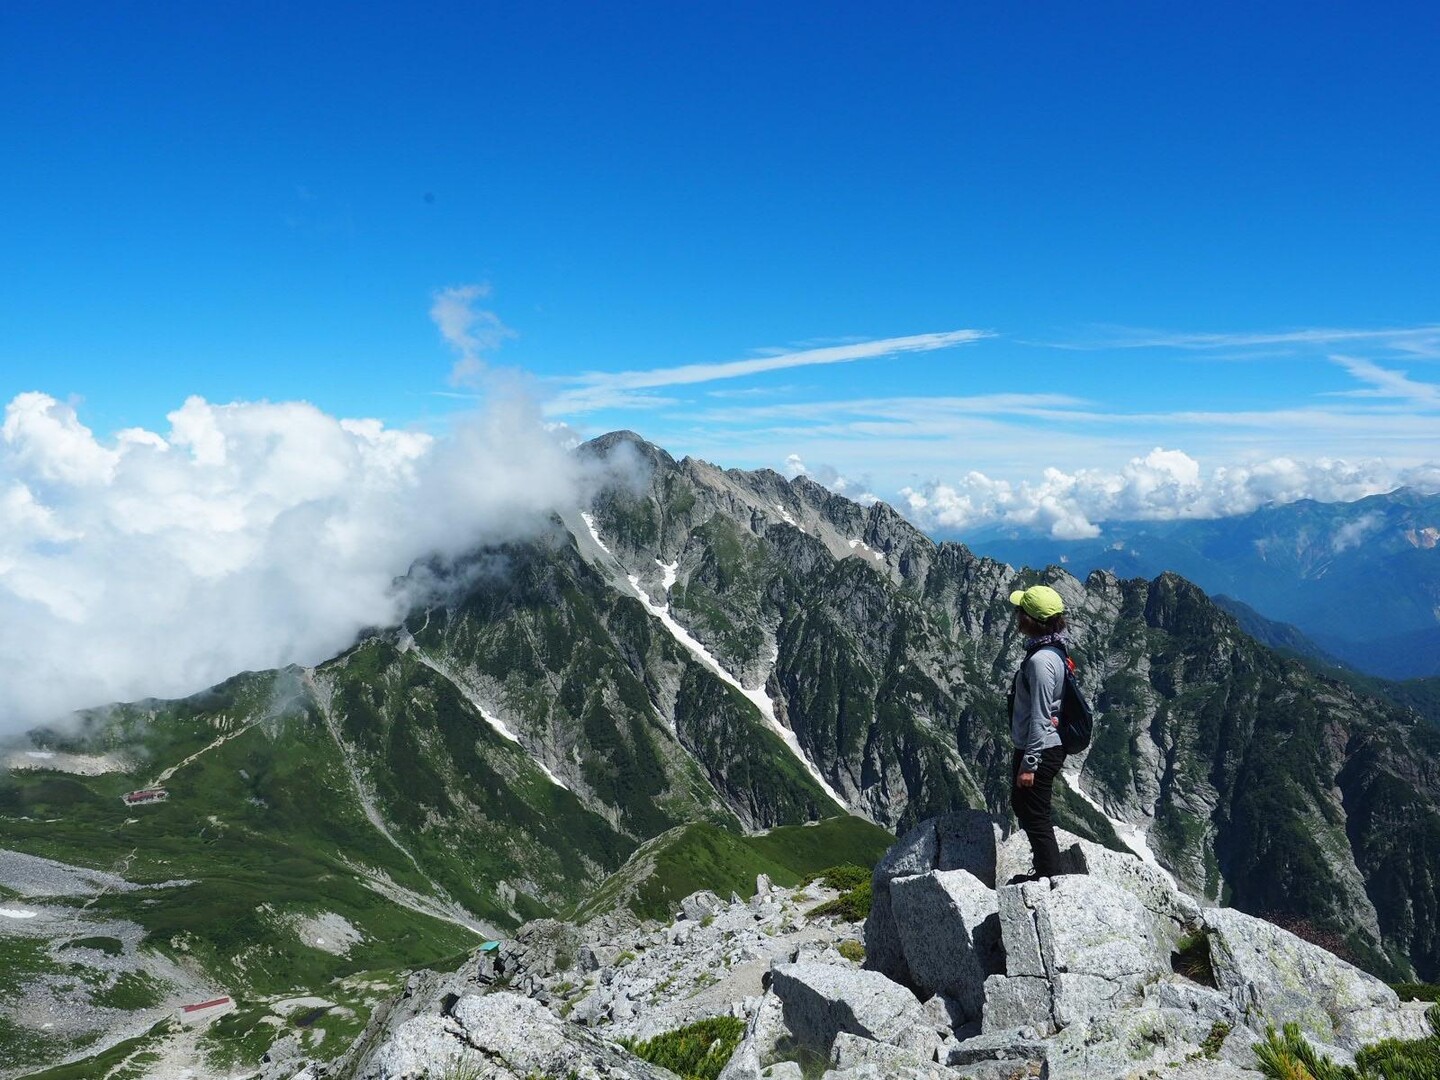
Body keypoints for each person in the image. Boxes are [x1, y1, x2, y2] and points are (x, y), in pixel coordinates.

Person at [1007, 584, 1069, 882]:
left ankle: (1048, 878)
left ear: (1030, 619)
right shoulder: (1052, 649)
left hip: (1039, 750)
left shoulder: (1040, 661)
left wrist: (1029, 764)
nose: (1016, 615)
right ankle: (1045, 871)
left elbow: (1040, 716)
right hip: (1043, 745)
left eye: (1021, 611)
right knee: (1026, 808)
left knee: (1036, 816)